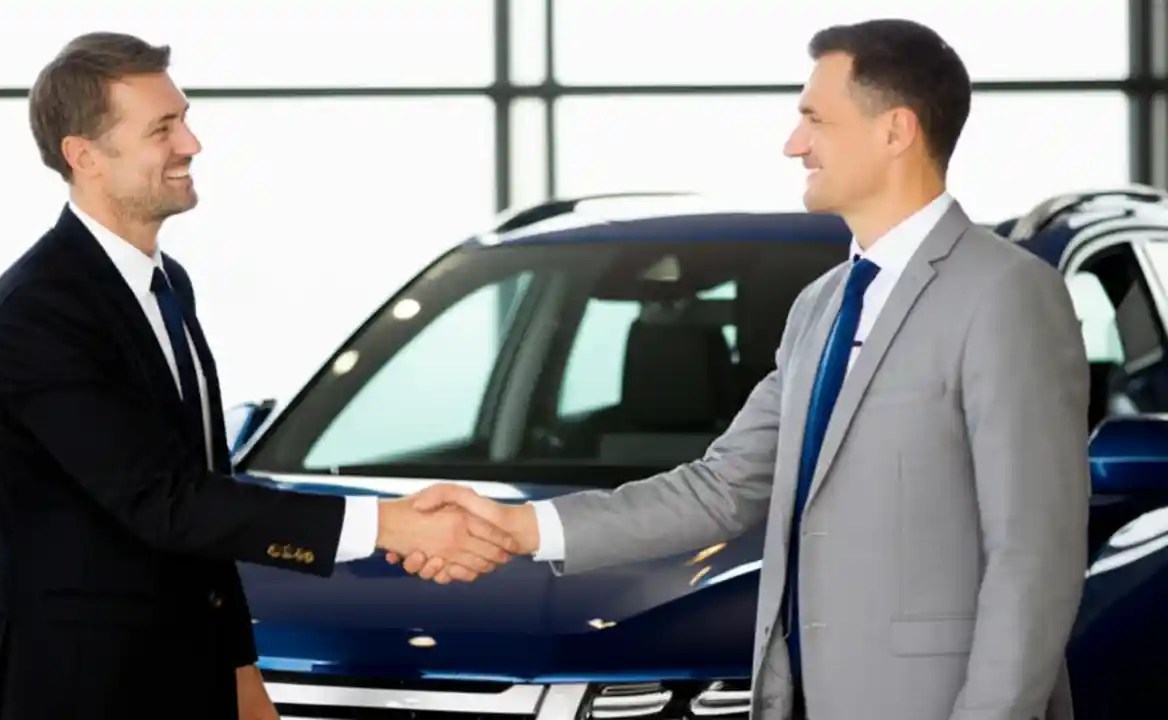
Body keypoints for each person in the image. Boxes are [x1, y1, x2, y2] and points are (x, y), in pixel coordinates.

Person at [390, 18, 1091, 720]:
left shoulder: (1005, 292)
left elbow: (1034, 554)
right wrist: (518, 528)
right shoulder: (822, 304)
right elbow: (721, 488)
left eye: (815, 120)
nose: (795, 144)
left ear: (895, 130)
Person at [0, 32, 516, 720]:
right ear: (85, 156)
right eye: (162, 128)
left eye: (185, 119)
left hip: (184, 679)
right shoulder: (39, 311)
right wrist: (386, 526)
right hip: (77, 691)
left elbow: (202, 488)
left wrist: (239, 668)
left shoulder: (166, 285)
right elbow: (167, 502)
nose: (191, 144)